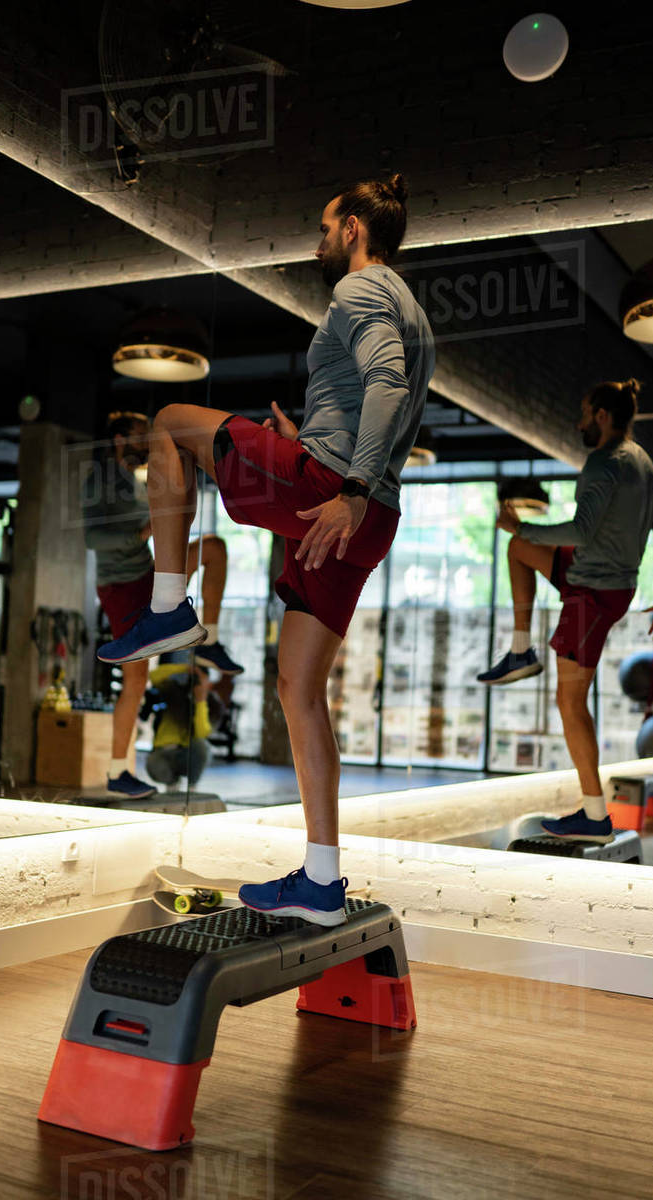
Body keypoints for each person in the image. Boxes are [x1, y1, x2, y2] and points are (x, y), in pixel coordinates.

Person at [99, 173, 436, 925]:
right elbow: (376, 396)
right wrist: (317, 448)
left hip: (334, 495)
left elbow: (385, 382)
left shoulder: (359, 288)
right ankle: (320, 881)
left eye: (324, 228)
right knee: (299, 691)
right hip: (368, 516)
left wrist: (349, 483)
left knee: (171, 422)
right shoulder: (413, 309)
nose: (318, 244)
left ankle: (168, 607)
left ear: (353, 229)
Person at [478, 378, 653, 842]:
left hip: (591, 593)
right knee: (518, 551)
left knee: (571, 703)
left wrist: (523, 526)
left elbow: (582, 530)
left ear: (602, 417)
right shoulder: (645, 465)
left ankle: (594, 816)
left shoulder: (604, 462)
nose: (579, 423)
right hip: (596, 576)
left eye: (585, 414)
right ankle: (521, 650)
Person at [82, 411, 242, 800]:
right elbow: (91, 538)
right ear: (120, 440)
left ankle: (210, 639)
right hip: (120, 585)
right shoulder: (100, 481)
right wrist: (140, 534)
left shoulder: (135, 481)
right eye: (142, 435)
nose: (149, 442)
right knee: (135, 681)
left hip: (148, 573)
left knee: (215, 549)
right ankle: (118, 772)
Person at [146, 663, 214, 788]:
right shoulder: (173, 692)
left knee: (202, 746)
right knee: (153, 763)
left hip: (186, 754)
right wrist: (186, 668)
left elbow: (202, 733)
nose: (197, 684)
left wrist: (200, 701)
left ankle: (192, 787)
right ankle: (172, 784)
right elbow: (153, 675)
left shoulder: (211, 703)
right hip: (163, 752)